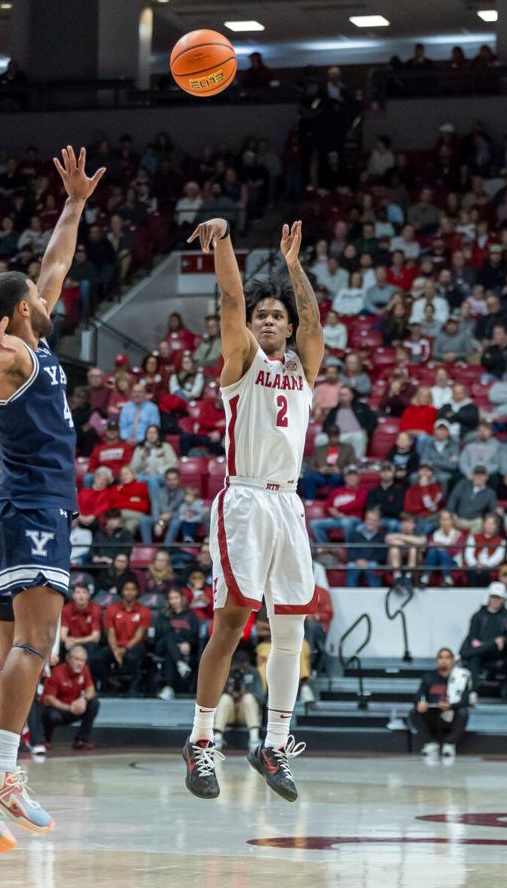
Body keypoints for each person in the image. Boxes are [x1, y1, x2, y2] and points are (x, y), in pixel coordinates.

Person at [0, 146, 104, 853]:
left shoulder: (34, 343)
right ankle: (2, 771)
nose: (48, 292)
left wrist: (74, 203)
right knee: (37, 645)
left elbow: (57, 263)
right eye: (35, 295)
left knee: (12, 650)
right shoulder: (13, 357)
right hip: (34, 509)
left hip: (13, 512)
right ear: (16, 312)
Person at [181, 216, 324, 804]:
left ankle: (275, 744)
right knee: (233, 621)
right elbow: (231, 300)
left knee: (292, 628)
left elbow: (314, 321)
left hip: (288, 503)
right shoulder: (242, 362)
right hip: (243, 498)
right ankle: (200, 739)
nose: (267, 320)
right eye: (261, 314)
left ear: (288, 327)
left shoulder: (303, 367)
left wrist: (294, 266)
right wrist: (224, 244)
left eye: (276, 315)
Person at [412, 647, 471, 758]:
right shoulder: (429, 677)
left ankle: (449, 744)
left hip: (451, 714)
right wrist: (420, 703)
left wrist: (451, 705)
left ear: (452, 660)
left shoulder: (461, 678)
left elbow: (465, 700)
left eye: (447, 657)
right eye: (441, 657)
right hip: (433, 715)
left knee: (463, 712)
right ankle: (430, 743)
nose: (444, 660)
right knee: (414, 711)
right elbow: (419, 695)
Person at [36, 644, 99, 749]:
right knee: (51, 715)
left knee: (94, 703)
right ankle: (46, 739)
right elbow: (49, 698)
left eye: (83, 660)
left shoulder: (84, 669)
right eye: (77, 659)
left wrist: (84, 699)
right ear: (68, 659)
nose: (80, 663)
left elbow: (91, 689)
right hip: (58, 709)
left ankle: (81, 740)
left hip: (75, 706)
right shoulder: (57, 672)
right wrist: (69, 708)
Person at [460, 583, 507, 678]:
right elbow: (472, 634)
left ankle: (464, 654)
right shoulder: (478, 615)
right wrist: (476, 642)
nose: (495, 600)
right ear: (489, 598)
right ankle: (474, 687)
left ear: (503, 600)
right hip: (479, 647)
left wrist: (503, 639)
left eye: (498, 598)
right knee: (475, 659)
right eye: (493, 597)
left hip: (497, 651)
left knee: (495, 644)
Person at [157, 588, 202, 699]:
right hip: (163, 645)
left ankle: (169, 688)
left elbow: (195, 635)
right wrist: (180, 643)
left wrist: (187, 643)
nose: (174, 601)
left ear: (182, 599)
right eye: (171, 598)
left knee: (170, 654)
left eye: (176, 598)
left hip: (183, 648)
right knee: (169, 638)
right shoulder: (164, 615)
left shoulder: (190, 616)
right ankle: (181, 664)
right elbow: (162, 633)